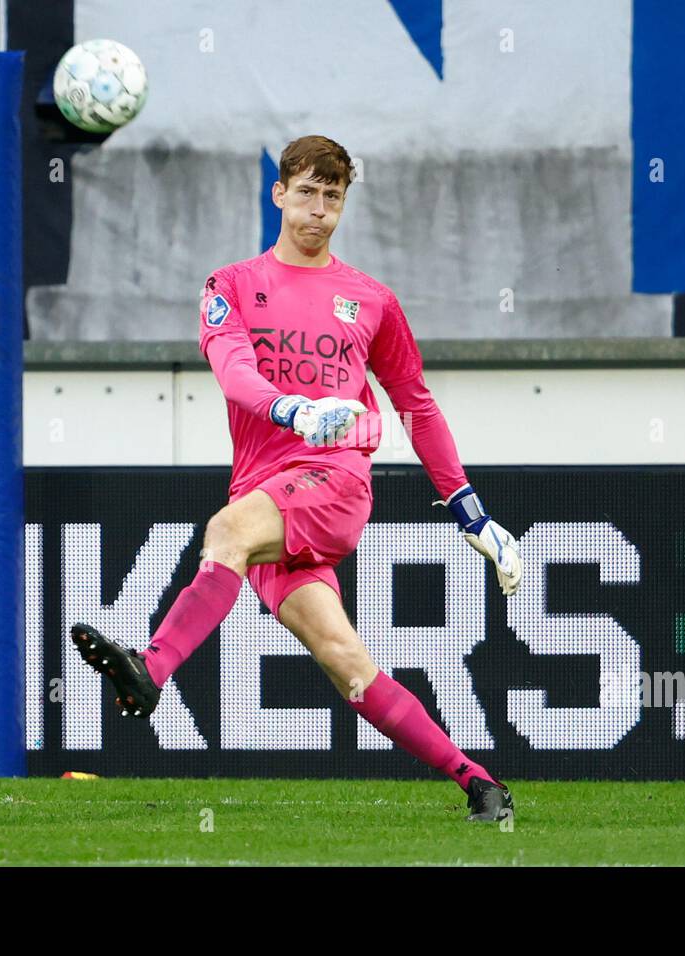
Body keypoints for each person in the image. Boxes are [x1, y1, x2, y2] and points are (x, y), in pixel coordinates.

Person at [71, 134, 523, 822]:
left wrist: (470, 510)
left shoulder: (370, 300)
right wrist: (294, 410)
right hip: (270, 494)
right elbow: (233, 371)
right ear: (278, 193)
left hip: (334, 484)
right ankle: (480, 783)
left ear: (344, 204)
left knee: (225, 532)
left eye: (332, 197)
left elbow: (415, 404)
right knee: (349, 666)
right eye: (306, 193)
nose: (318, 210)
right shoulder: (230, 286)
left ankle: (152, 668)